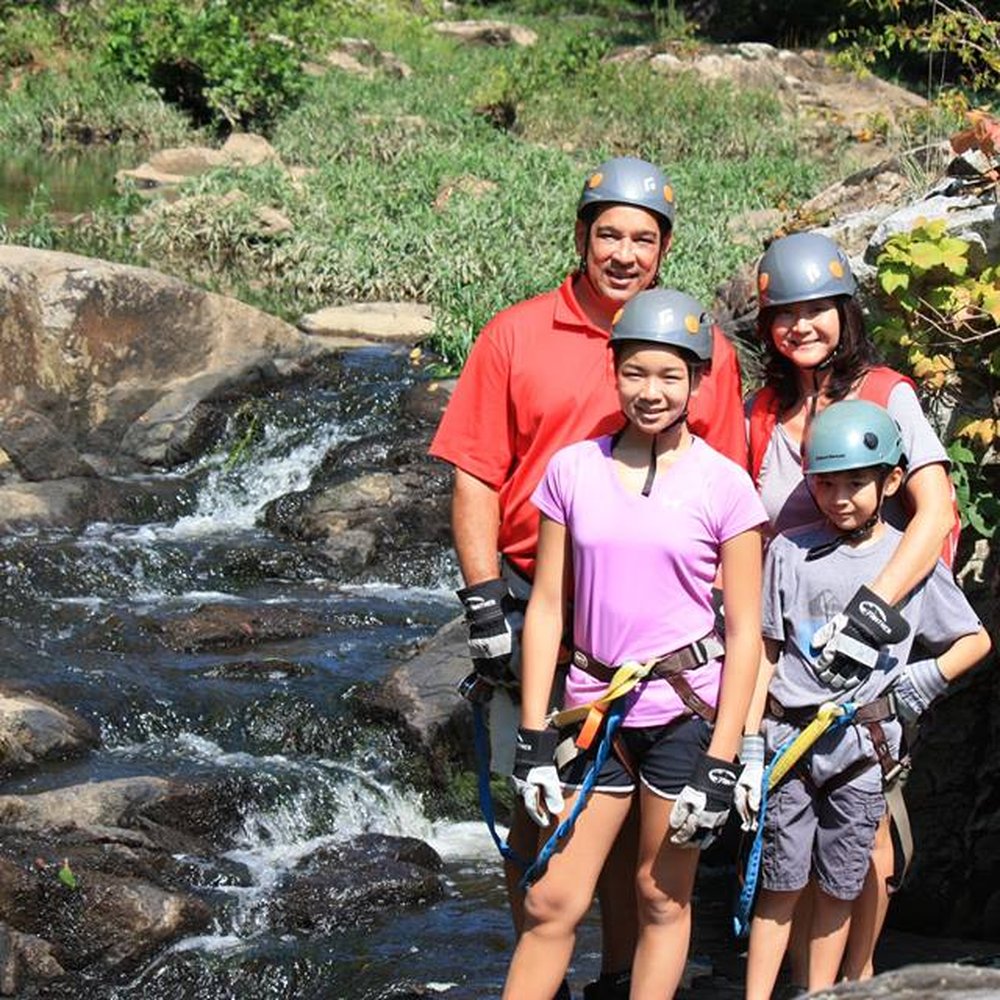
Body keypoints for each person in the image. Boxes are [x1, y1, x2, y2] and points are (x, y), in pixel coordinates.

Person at [429, 156, 748, 999]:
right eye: (609, 233)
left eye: (643, 239)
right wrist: (482, 603)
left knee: (645, 849)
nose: (624, 253)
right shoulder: (515, 334)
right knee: (536, 811)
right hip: (536, 597)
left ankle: (618, 976)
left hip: (657, 626)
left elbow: (722, 493)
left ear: (665, 248)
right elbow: (475, 472)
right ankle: (550, 967)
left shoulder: (698, 347)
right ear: (581, 234)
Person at [502, 288, 766, 1000]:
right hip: (593, 710)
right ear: (613, 372)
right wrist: (533, 735)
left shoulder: (726, 487)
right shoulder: (571, 471)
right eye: (635, 373)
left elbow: (744, 633)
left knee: (660, 893)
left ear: (698, 382)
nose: (651, 392)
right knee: (551, 899)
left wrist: (723, 759)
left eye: (670, 376)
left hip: (683, 714)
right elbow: (548, 607)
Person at [744, 230, 959, 983]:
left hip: (876, 646)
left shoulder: (887, 392)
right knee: (793, 840)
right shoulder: (762, 411)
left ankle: (857, 984)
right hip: (793, 644)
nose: (801, 325)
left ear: (846, 310)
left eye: (817, 309)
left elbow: (934, 511)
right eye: (784, 313)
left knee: (866, 836)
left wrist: (873, 612)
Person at [739, 400, 991, 999]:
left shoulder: (909, 561)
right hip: (790, 744)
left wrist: (919, 683)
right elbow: (767, 653)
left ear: (892, 481)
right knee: (779, 881)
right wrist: (749, 746)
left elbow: (974, 641)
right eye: (825, 485)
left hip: (862, 750)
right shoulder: (789, 552)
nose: (839, 498)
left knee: (840, 884)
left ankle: (820, 993)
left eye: (855, 483)